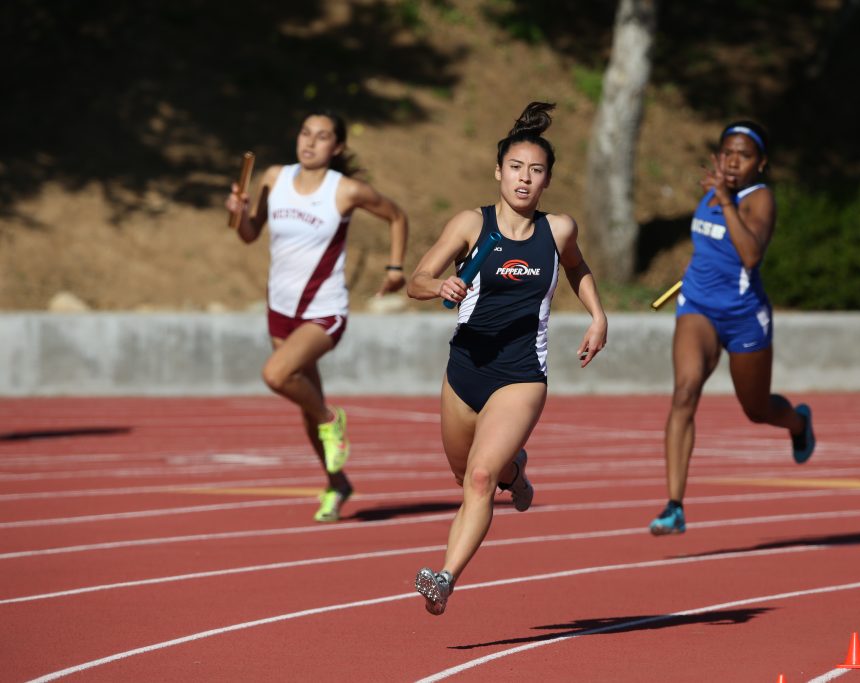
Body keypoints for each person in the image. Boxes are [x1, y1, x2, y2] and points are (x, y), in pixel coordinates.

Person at [406, 101, 607, 615]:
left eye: (535, 171)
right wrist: (438, 286)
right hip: (464, 371)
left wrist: (597, 316)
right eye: (516, 168)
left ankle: (445, 577)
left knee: (478, 479)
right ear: (498, 172)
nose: (524, 179)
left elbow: (578, 268)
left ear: (546, 181)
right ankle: (517, 475)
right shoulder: (471, 224)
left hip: (520, 376)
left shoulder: (557, 230)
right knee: (466, 473)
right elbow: (417, 279)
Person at [225, 109, 408, 523]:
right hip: (280, 311)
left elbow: (397, 215)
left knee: (276, 376)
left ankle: (332, 419)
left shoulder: (344, 191)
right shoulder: (274, 177)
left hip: (323, 311)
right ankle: (336, 483)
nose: (309, 142)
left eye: (322, 136)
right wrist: (238, 212)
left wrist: (395, 270)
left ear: (337, 146)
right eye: (305, 133)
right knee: (306, 409)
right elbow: (250, 234)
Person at [649, 120, 815, 536]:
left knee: (757, 410)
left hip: (744, 315)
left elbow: (750, 255)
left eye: (743, 154)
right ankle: (674, 505)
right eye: (727, 152)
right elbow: (709, 246)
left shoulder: (759, 200)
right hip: (698, 307)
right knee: (685, 391)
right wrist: (695, 268)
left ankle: (797, 423)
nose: (733, 161)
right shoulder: (712, 192)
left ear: (762, 164)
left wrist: (725, 200)